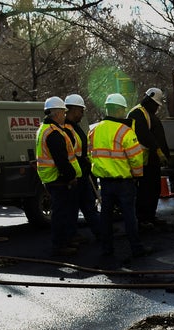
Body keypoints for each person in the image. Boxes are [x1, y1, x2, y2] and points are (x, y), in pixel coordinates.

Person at [90, 93, 150, 258]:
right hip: (124, 181)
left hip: (105, 182)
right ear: (117, 109)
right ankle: (136, 248)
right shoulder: (125, 131)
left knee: (106, 217)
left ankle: (106, 249)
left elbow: (91, 155)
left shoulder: (94, 130)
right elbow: (136, 157)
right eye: (123, 110)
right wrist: (137, 175)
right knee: (130, 216)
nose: (124, 113)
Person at [35, 96, 81, 256]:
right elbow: (61, 160)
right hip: (58, 179)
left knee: (61, 213)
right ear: (56, 113)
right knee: (61, 214)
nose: (64, 115)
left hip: (52, 178)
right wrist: (71, 176)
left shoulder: (45, 129)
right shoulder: (53, 133)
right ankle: (60, 245)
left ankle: (64, 241)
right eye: (63, 112)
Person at [127, 87, 171, 226]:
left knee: (154, 189)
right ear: (150, 101)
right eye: (157, 105)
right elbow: (145, 136)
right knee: (145, 190)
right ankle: (143, 218)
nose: (158, 108)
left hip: (152, 161)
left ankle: (150, 216)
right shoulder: (137, 113)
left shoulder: (147, 113)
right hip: (143, 161)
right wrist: (158, 150)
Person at [64, 93, 104, 240]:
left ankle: (100, 231)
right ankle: (71, 236)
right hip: (76, 174)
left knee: (88, 205)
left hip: (82, 173)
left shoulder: (74, 127)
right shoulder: (67, 129)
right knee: (73, 208)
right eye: (81, 111)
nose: (82, 114)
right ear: (74, 109)